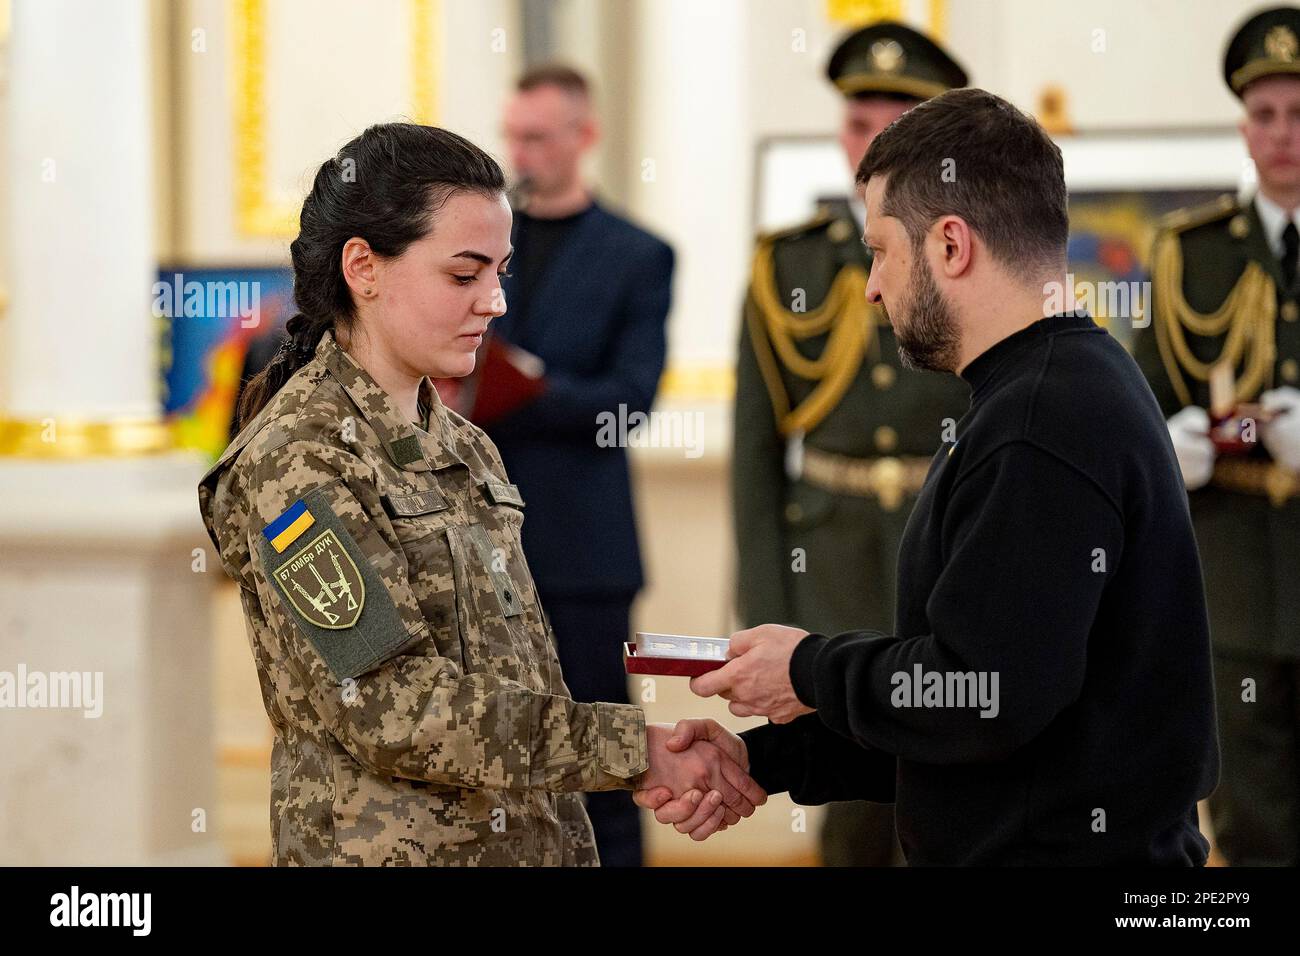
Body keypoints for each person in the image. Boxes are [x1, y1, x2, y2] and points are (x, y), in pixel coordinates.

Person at [644, 89, 1220, 865]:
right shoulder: (1057, 385)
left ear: (950, 245)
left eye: (881, 250)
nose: (873, 285)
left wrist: (809, 668)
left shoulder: (1038, 423)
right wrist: (765, 760)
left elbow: (980, 696)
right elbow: (984, 703)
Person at [196, 123, 761, 866]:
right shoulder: (295, 462)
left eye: (501, 272)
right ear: (363, 267)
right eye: (464, 275)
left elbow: (520, 675)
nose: (494, 302)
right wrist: (635, 750)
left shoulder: (464, 444)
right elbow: (393, 707)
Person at [732, 21, 969, 866]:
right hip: (827, 565)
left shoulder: (973, 264)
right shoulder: (787, 266)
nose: (865, 143)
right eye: (855, 123)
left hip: (945, 557)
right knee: (849, 807)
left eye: (888, 126)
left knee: (958, 788)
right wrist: (766, 608)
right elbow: (754, 461)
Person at [485, 65, 675, 866]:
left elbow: (630, 404)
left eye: (538, 136)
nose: (521, 153)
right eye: (514, 135)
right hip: (479, 543)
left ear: (584, 136)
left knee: (601, 755)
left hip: (583, 550)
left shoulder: (638, 253)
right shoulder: (486, 242)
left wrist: (529, 388)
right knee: (493, 753)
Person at [1133, 5, 1300, 866]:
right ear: (1243, 129)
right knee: (1255, 825)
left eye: (1299, 112)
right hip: (1232, 582)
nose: (1283, 134)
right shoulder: (1189, 255)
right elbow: (1140, 412)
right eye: (1265, 115)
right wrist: (1179, 440)